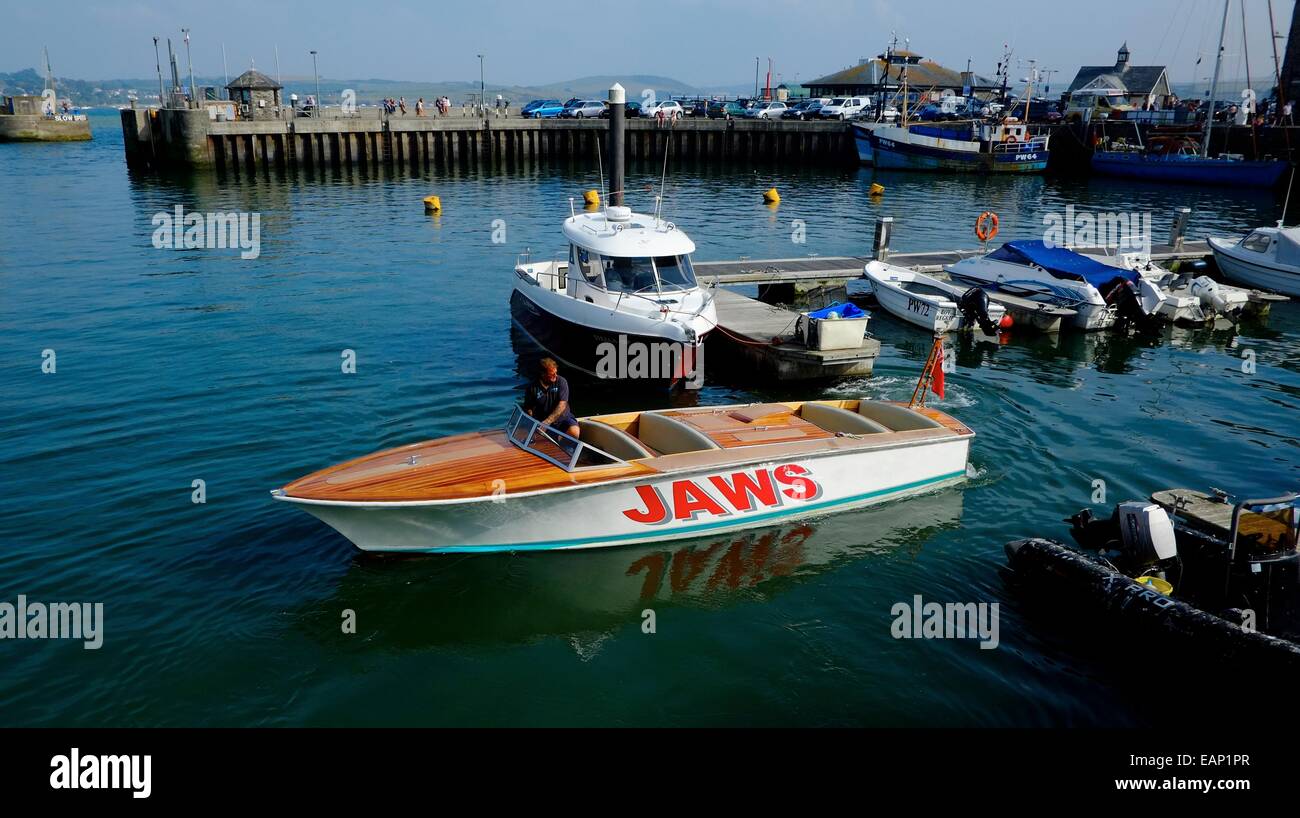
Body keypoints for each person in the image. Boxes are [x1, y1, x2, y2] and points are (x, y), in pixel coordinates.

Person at [523, 358, 580, 439]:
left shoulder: (561, 381)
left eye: (556, 373)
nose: (555, 376)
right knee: (539, 440)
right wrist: (533, 422)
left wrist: (547, 422)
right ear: (543, 374)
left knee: (574, 432)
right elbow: (528, 408)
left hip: (563, 418)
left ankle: (564, 446)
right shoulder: (532, 388)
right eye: (552, 375)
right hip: (542, 420)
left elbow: (562, 404)